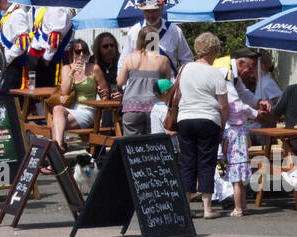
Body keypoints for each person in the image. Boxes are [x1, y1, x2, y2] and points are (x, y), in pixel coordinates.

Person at [175, 32, 228, 219]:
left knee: (188, 162)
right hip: (207, 118)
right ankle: (207, 208)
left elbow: (178, 95)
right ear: (214, 51)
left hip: (185, 118)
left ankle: (186, 206)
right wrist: (223, 125)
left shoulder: (185, 68)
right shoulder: (216, 73)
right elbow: (223, 104)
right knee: (206, 162)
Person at [118, 23, 172, 136]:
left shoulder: (130, 58)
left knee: (131, 145)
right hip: (154, 107)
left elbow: (120, 82)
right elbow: (167, 87)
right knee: (152, 145)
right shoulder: (163, 60)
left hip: (132, 106)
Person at [119, 0, 193, 66]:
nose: (151, 15)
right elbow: (123, 61)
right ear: (143, 11)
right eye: (147, 11)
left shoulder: (175, 31)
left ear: (161, 10)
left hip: (168, 77)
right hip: (141, 77)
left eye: (155, 11)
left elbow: (187, 60)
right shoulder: (134, 31)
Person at [50, 38, 98, 150]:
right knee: (57, 110)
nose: (81, 54)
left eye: (84, 51)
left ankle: (56, 158)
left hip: (87, 109)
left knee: (54, 125)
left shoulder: (93, 68)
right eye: (77, 51)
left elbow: (105, 92)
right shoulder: (67, 69)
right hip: (71, 108)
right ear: (72, 53)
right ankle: (60, 147)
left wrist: (102, 114)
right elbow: (65, 92)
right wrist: (72, 73)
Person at [229, 48, 282, 131]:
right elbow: (234, 103)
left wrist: (258, 101)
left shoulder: (235, 75)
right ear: (240, 63)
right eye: (250, 69)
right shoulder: (227, 72)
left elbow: (243, 92)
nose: (251, 73)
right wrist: (255, 114)